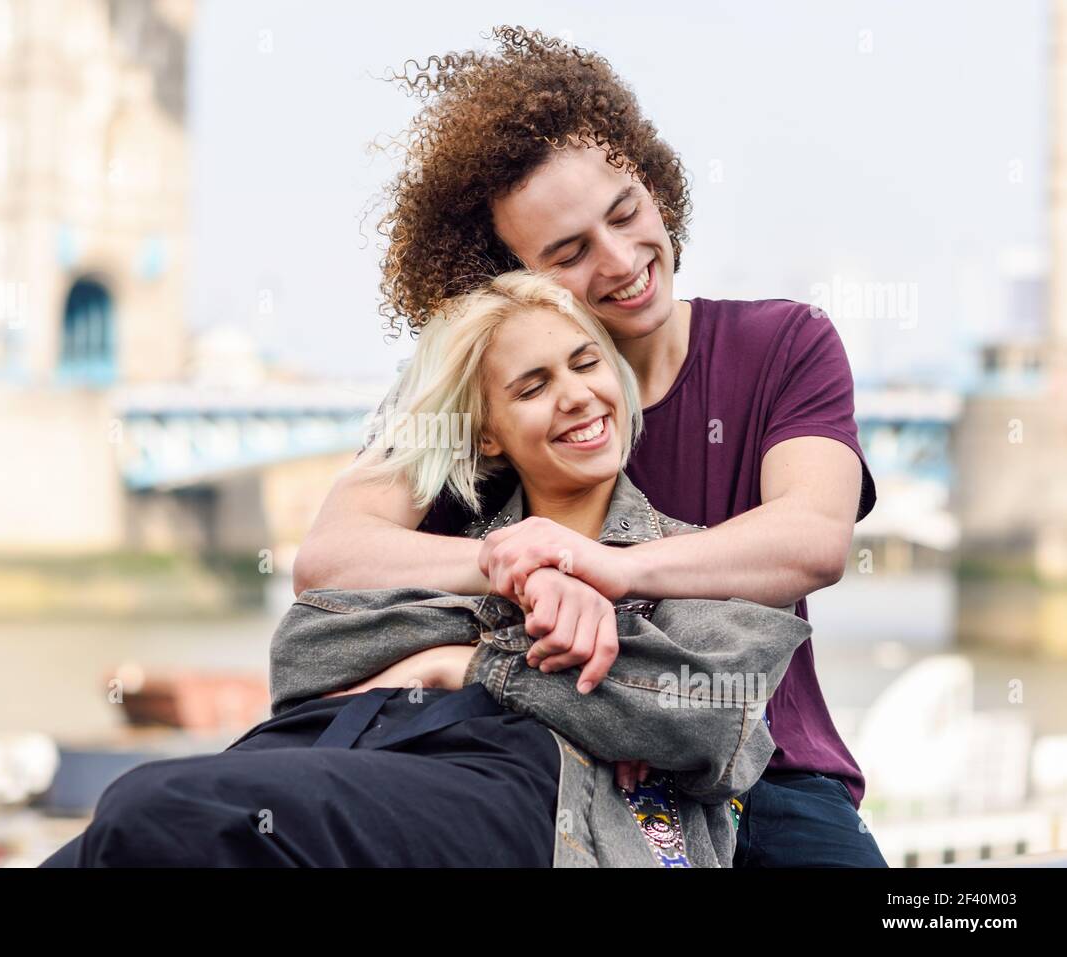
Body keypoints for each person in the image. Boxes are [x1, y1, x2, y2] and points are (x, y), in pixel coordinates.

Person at [292, 25, 885, 868]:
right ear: (512, 275)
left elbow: (811, 538)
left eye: (625, 212)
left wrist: (601, 566)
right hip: (535, 754)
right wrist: (520, 565)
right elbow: (332, 556)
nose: (621, 260)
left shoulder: (784, 344)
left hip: (764, 771)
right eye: (569, 252)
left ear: (652, 181)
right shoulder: (471, 389)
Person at [40, 272, 816, 868]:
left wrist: (468, 661)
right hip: (354, 751)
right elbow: (306, 659)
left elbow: (722, 719)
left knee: (153, 805)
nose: (578, 396)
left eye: (586, 363)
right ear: (486, 437)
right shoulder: (450, 548)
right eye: (534, 385)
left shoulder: (689, 555)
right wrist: (512, 589)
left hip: (534, 787)